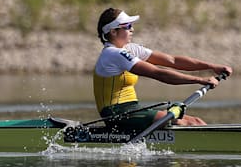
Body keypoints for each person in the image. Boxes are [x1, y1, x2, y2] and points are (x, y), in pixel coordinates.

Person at [93, 8, 232, 132]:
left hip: (132, 109)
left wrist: (212, 66)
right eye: (128, 26)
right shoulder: (113, 54)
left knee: (197, 121)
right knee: (189, 123)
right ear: (113, 31)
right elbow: (158, 74)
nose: (132, 29)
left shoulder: (129, 49)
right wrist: (200, 80)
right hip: (116, 114)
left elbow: (172, 61)